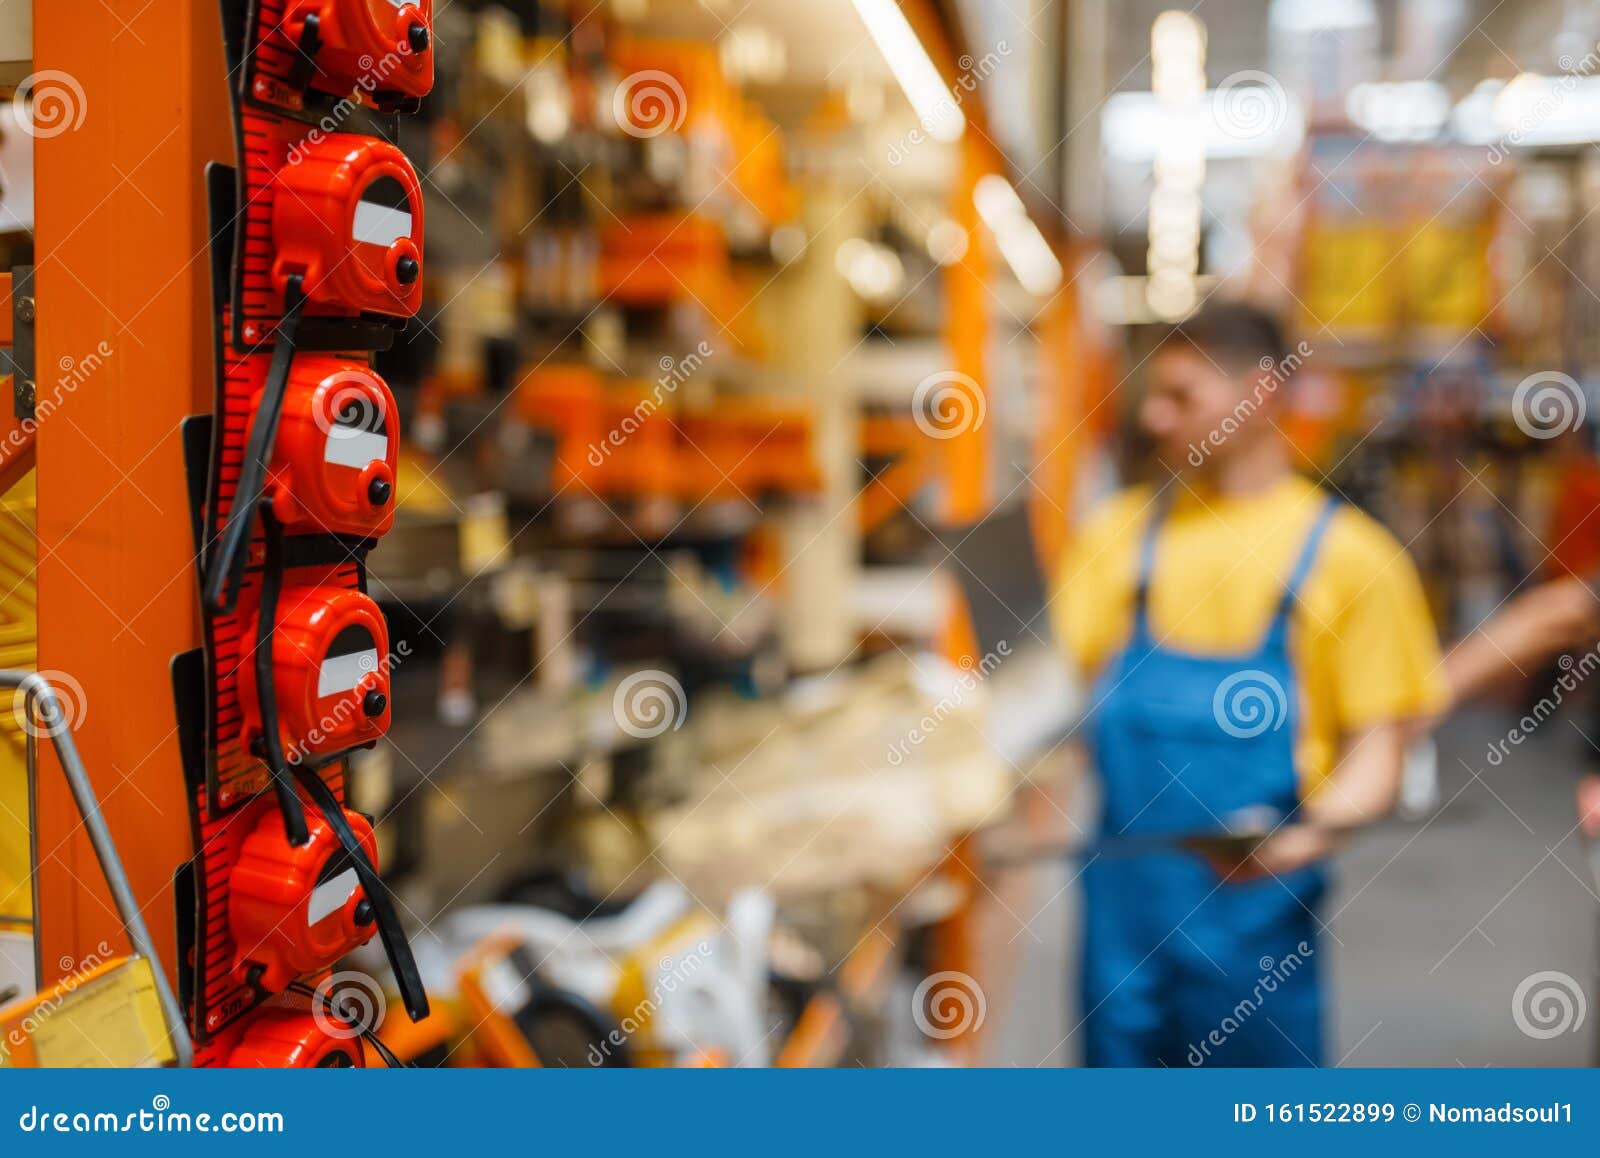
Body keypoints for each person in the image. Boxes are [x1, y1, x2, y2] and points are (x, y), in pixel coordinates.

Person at [1053, 301, 1448, 1067]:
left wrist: (1306, 837)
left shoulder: (1351, 558)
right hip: (1122, 924)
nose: (1155, 418)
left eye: (1181, 396)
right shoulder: (1115, 536)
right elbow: (1061, 711)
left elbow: (1379, 748)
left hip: (1256, 926)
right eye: (1153, 396)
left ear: (1260, 394)